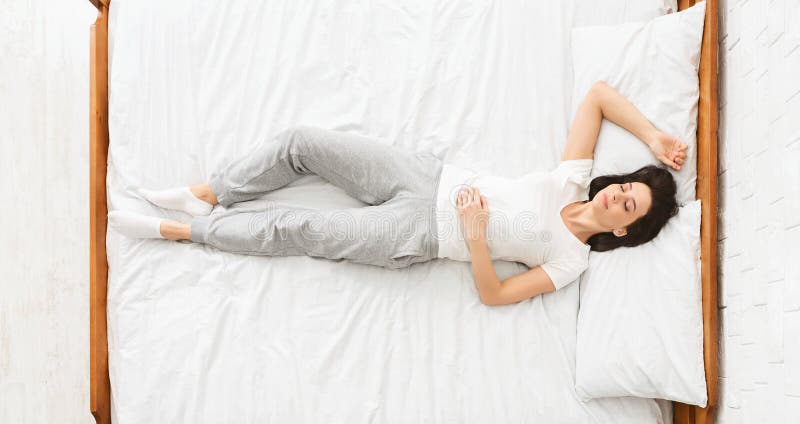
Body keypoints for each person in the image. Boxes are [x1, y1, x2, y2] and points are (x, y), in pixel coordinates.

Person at [109, 80, 685, 305]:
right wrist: (653, 136)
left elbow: (494, 295)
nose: (617, 196)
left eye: (628, 205)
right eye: (626, 187)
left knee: (297, 229)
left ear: (623, 230)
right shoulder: (572, 181)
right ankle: (207, 193)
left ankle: (180, 230)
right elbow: (599, 96)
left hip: (420, 235)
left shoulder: (572, 260)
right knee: (302, 142)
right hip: (424, 177)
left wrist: (478, 240)